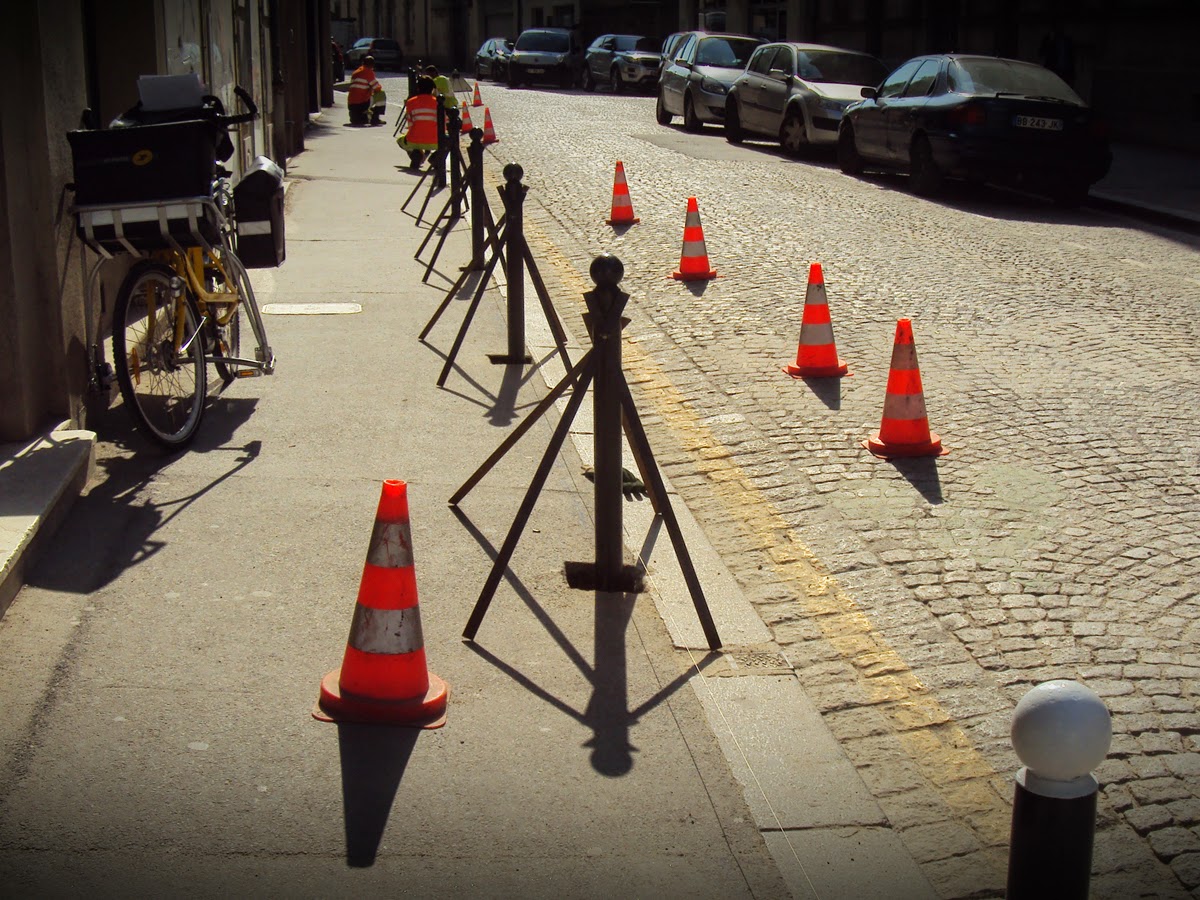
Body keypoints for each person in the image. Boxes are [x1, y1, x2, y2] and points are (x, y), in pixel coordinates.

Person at [396, 76, 440, 169]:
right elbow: (443, 125)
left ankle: (416, 155)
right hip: (435, 141)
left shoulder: (410, 102)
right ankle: (436, 158)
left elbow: (410, 124)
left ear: (418, 88)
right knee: (449, 142)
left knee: (400, 140)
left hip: (414, 139)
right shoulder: (438, 103)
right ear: (432, 89)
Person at [347, 54, 382, 126]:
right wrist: (371, 89)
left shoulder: (356, 72)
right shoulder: (368, 72)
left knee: (360, 120)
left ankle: (359, 116)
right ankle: (375, 118)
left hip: (351, 103)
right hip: (361, 103)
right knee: (381, 94)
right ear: (372, 65)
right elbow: (377, 88)